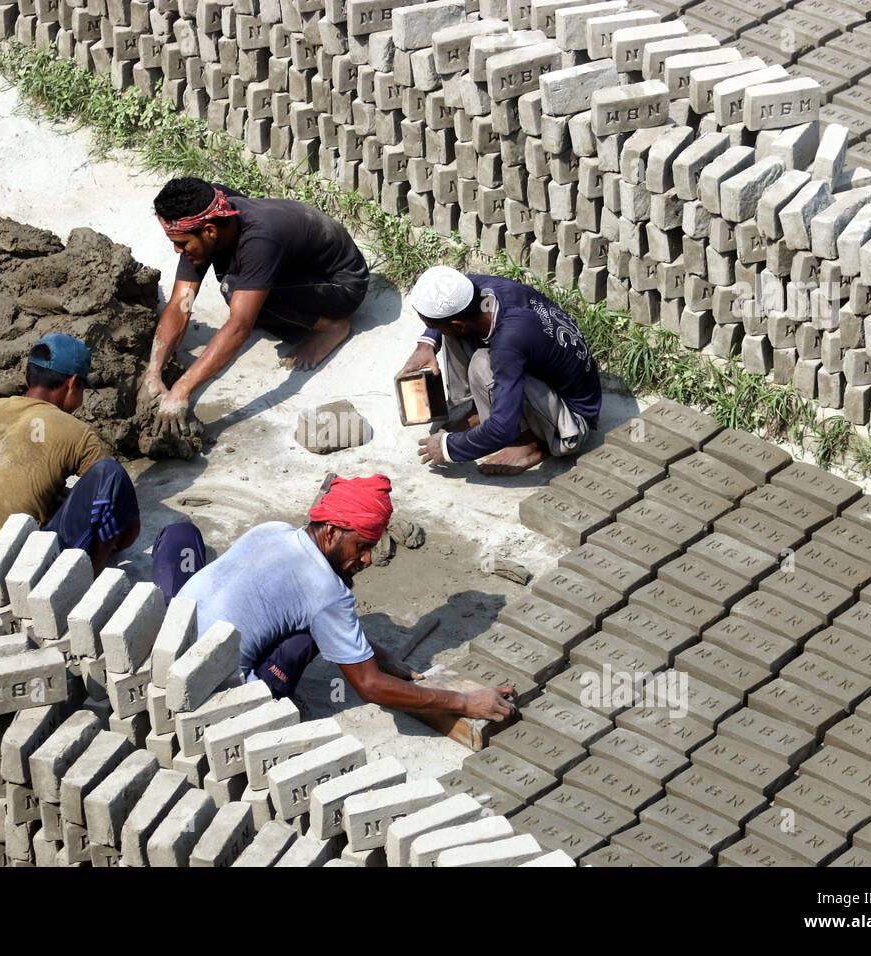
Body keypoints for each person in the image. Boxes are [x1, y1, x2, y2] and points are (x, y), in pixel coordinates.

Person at [149, 474, 515, 721]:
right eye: (362, 545)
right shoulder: (326, 591)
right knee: (305, 638)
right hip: (214, 695)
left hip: (166, 647)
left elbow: (290, 600)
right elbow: (369, 686)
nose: (368, 559)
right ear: (331, 532)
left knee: (181, 534)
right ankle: (266, 699)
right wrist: (465, 702)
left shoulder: (274, 529)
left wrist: (379, 656)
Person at [140, 177, 370, 442]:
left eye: (181, 244)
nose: (176, 250)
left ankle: (330, 328)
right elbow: (182, 304)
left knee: (235, 290)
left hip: (341, 283)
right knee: (238, 287)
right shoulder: (211, 212)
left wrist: (181, 390)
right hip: (294, 266)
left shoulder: (259, 241)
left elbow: (239, 327)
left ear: (210, 232)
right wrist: (153, 371)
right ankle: (277, 304)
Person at [0, 333, 141, 576]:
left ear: (28, 376)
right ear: (73, 383)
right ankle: (89, 575)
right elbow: (127, 526)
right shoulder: (75, 432)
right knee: (112, 474)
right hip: (20, 562)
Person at [399, 267, 602, 476]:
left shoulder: (509, 342)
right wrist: (427, 343)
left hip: (571, 422)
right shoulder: (484, 290)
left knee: (481, 363)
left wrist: (447, 447)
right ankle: (480, 409)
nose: (433, 330)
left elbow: (503, 428)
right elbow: (453, 299)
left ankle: (529, 443)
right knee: (450, 335)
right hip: (546, 379)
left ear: (458, 324)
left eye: (432, 326)